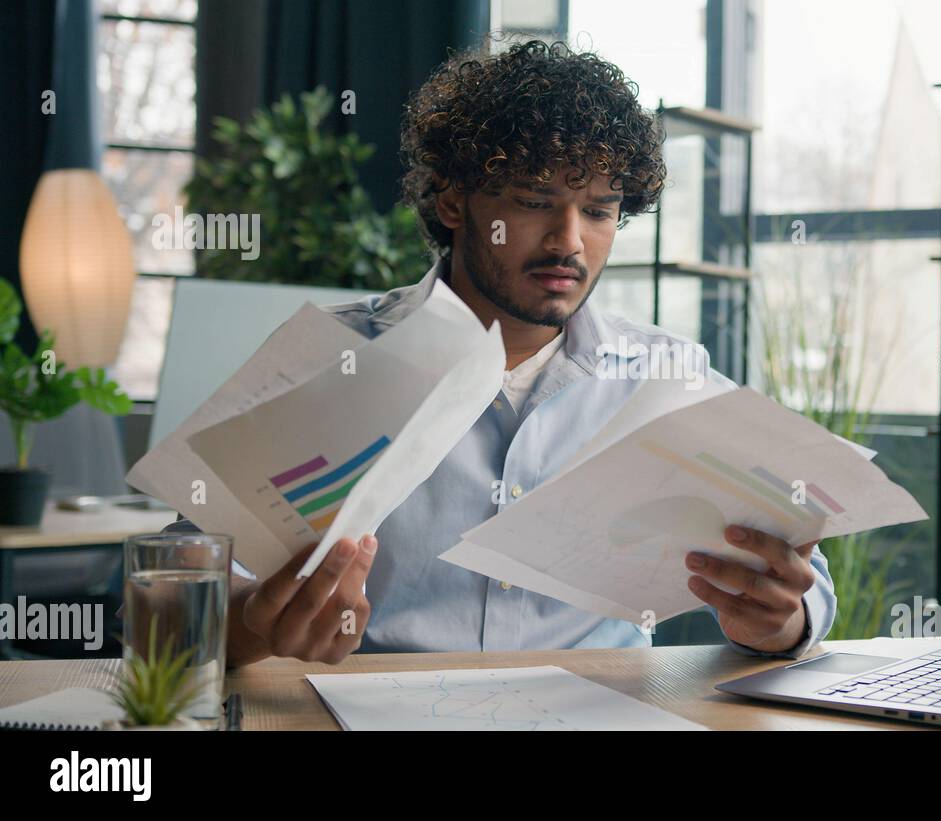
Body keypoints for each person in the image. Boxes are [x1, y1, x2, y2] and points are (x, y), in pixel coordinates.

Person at [168, 39, 836, 667]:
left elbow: (802, 577)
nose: (569, 241)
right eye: (535, 201)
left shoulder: (666, 377)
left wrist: (783, 621)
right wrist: (254, 623)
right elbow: (165, 600)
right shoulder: (329, 359)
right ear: (455, 200)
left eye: (600, 211)